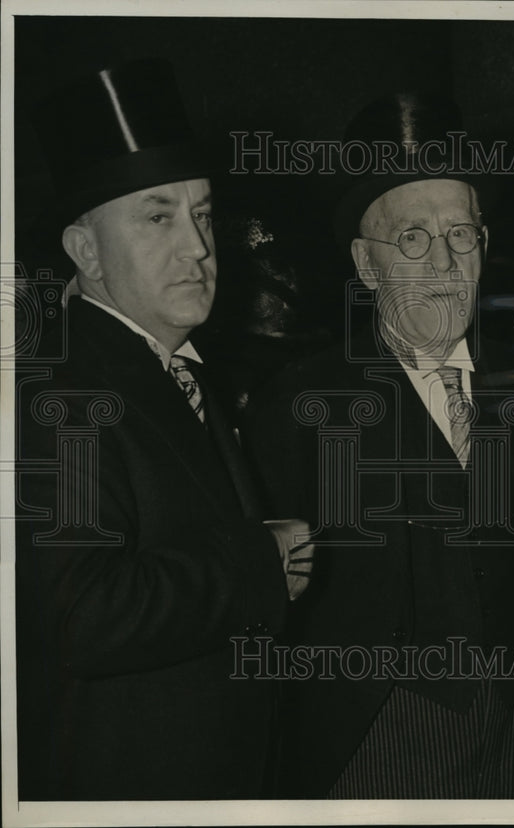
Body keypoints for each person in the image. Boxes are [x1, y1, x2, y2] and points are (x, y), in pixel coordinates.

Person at [245, 92, 514, 798]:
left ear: (484, 244)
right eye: (413, 239)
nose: (444, 262)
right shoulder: (301, 403)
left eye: (461, 233)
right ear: (367, 267)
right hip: (377, 742)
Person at [16, 58, 313, 801]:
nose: (199, 248)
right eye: (158, 218)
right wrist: (261, 561)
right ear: (86, 251)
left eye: (202, 215)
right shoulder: (61, 390)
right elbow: (83, 616)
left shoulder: (180, 369)